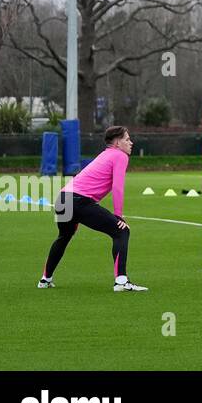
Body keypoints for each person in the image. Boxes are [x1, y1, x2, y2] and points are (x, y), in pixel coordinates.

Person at [38, 126, 148, 293]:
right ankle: (121, 282)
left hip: (63, 199)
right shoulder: (120, 155)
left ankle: (45, 279)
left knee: (64, 236)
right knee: (121, 232)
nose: (131, 142)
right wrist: (118, 216)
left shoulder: (106, 154)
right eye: (127, 139)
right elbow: (118, 187)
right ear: (117, 143)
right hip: (79, 201)